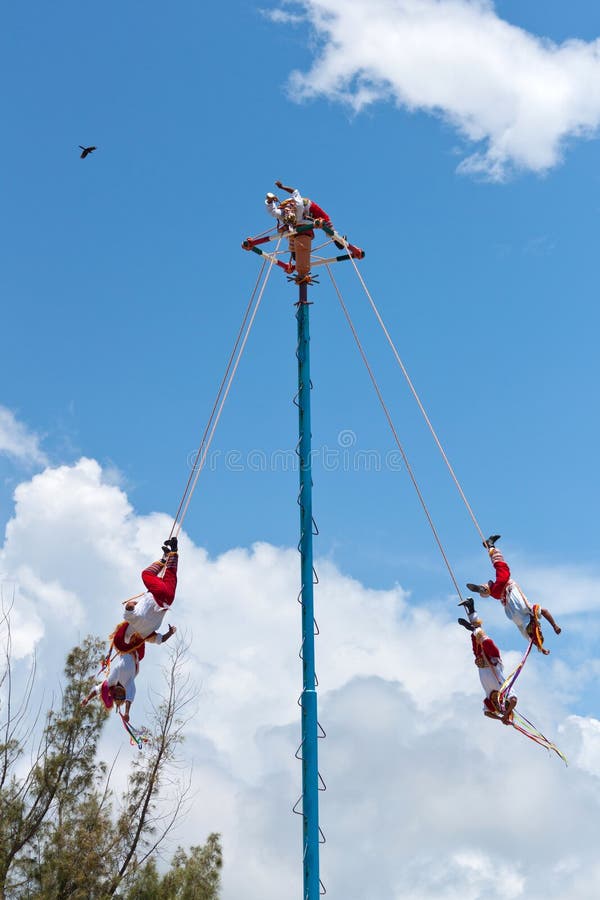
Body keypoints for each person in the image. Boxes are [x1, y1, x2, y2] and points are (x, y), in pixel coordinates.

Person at [466, 536, 561, 654]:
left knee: (501, 568)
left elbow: (536, 635)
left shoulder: (529, 616)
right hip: (501, 595)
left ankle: (490, 548)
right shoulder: (526, 620)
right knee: (493, 588)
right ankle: (485, 588)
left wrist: (551, 632)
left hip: (506, 588)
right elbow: (535, 636)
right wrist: (547, 640)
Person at [81, 622, 176, 722]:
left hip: (124, 646)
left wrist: (87, 699)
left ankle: (134, 615)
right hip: (137, 650)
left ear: (113, 693)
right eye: (121, 696)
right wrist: (126, 713)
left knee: (126, 633)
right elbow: (129, 699)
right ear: (123, 695)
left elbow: (97, 690)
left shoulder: (110, 682)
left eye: (116, 695)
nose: (118, 693)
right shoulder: (128, 684)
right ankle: (141, 622)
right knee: (145, 633)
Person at [111, 537, 180, 655]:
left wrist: (170, 632)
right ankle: (164, 559)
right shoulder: (131, 619)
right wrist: (136, 604)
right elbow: (129, 606)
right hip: (157, 593)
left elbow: (161, 639)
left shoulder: (147, 635)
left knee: (170, 574)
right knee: (146, 574)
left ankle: (173, 550)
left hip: (168, 600)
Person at [265, 180, 343, 283]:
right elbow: (272, 211)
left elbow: (295, 191)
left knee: (325, 221)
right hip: (296, 221)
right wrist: (270, 200)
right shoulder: (282, 214)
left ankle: (336, 239)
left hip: (309, 209)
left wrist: (282, 187)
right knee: (293, 235)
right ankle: (294, 251)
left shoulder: (299, 205)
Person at [458, 599, 517, 725]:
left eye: (494, 703)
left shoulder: (488, 695)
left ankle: (471, 607)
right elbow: (514, 700)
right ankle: (473, 628)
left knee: (475, 637)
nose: (495, 701)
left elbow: (486, 713)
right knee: (485, 640)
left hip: (480, 660)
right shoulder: (505, 690)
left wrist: (501, 718)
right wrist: (507, 714)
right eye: (498, 702)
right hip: (493, 659)